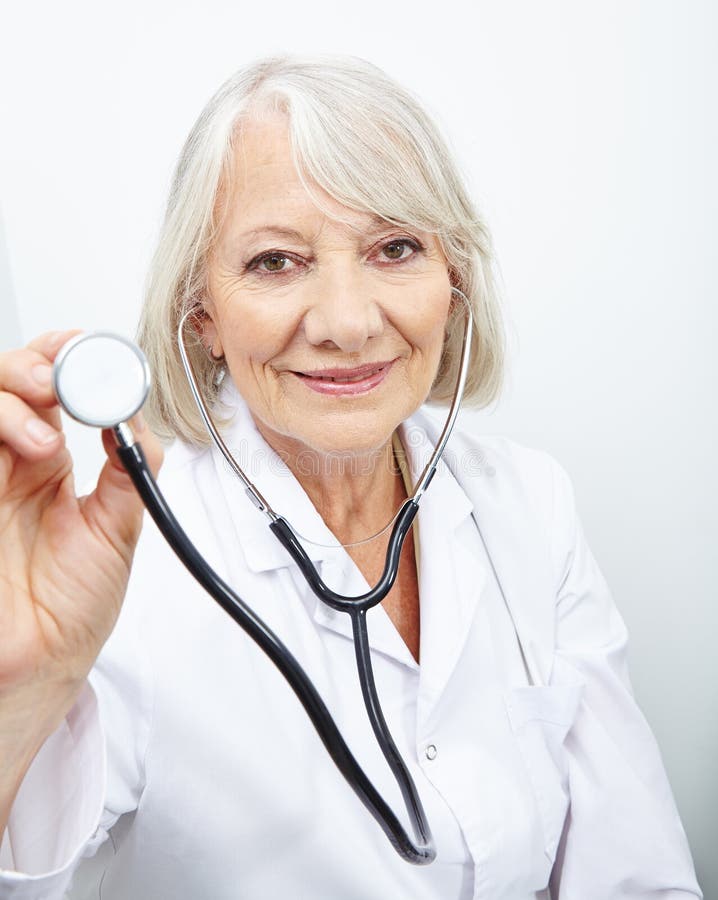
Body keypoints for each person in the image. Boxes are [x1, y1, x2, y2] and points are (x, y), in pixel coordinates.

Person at [0, 55, 702, 900]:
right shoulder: (122, 565)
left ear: (455, 281)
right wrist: (23, 689)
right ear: (204, 315)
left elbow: (636, 878)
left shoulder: (530, 504)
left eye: (395, 248)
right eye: (275, 262)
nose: (346, 321)